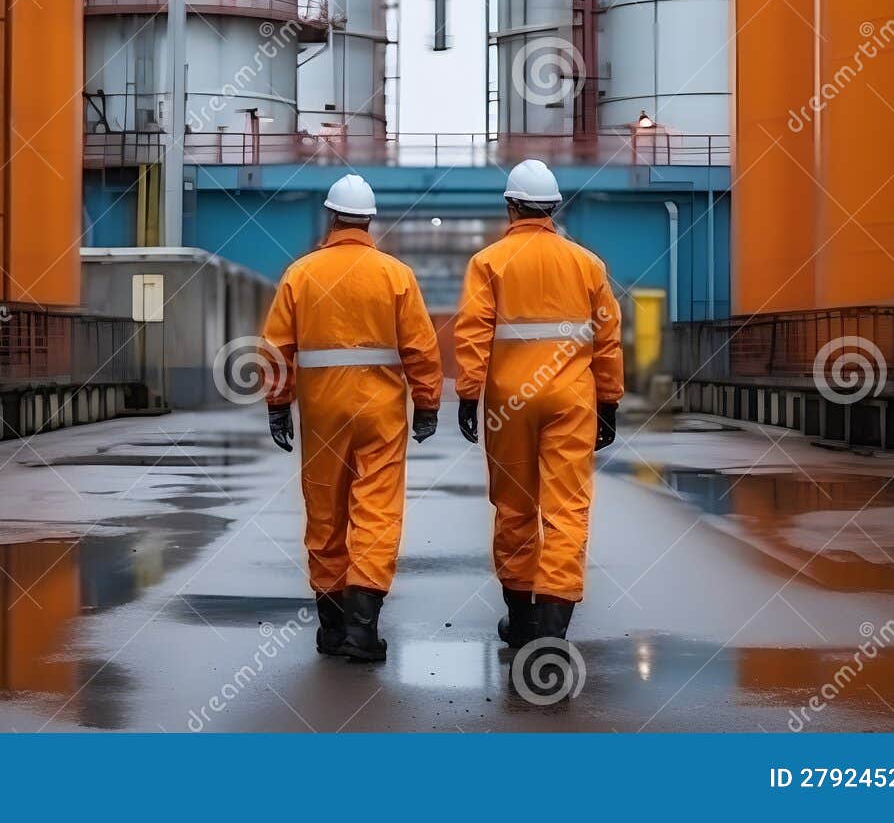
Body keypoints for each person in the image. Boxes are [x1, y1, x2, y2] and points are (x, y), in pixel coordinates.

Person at [260, 173, 443, 662]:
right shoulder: (396, 274)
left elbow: (276, 346)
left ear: (330, 216)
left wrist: (277, 405)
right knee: (376, 510)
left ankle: (330, 626)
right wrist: (426, 403)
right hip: (381, 413)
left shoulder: (300, 274)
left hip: (322, 413)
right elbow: (421, 347)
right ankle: (363, 629)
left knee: (325, 510)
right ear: (369, 220)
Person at [453, 159, 623, 648]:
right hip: (572, 399)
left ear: (511, 207)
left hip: (510, 402)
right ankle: (553, 628)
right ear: (554, 207)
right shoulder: (587, 264)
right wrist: (608, 401)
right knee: (566, 509)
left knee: (514, 507)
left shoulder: (488, 263)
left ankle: (522, 621)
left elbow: (472, 333)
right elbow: (608, 340)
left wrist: (469, 394)